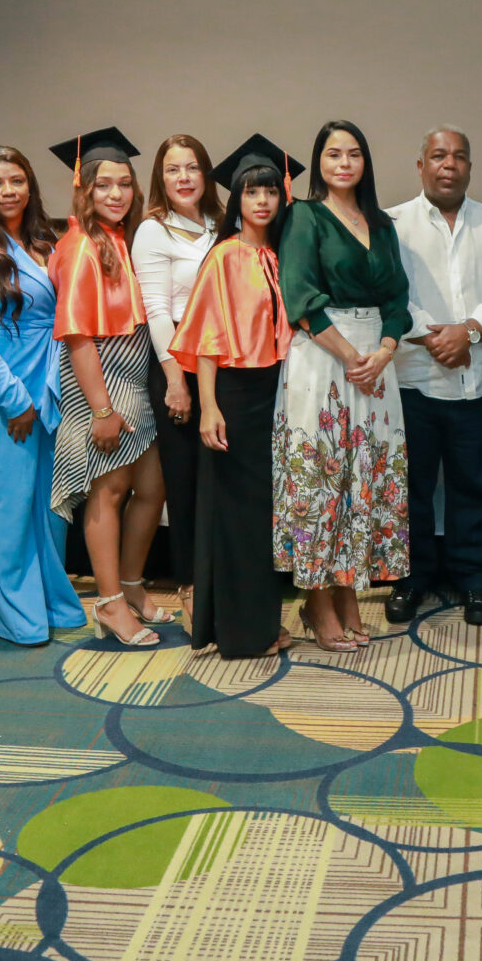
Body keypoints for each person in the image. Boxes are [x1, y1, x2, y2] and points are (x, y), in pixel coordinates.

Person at [0, 146, 89, 647]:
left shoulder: (44, 237)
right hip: (1, 391)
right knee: (10, 503)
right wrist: (12, 398)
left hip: (49, 386)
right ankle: (21, 617)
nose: (8, 191)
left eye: (17, 180)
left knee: (50, 506)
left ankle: (54, 604)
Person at [275, 120, 413, 652]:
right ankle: (317, 601)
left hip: (375, 362)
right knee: (323, 479)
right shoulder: (304, 217)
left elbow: (399, 299)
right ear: (319, 161)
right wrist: (355, 356)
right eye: (333, 154)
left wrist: (383, 352)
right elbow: (301, 297)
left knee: (365, 479)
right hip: (325, 357)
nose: (344, 163)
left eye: (354, 154)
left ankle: (349, 591)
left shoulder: (382, 223)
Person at [386, 126, 482, 628]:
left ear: (470, 167)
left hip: (479, 378)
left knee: (477, 486)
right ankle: (411, 577)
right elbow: (392, 293)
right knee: (412, 488)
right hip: (413, 379)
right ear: (420, 165)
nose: (449, 164)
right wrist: (436, 339)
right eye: (438, 156)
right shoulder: (391, 224)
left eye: (459, 157)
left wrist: (469, 332)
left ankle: (476, 579)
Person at [172, 135, 302, 659]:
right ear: (238, 202)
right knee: (238, 516)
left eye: (270, 191)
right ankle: (243, 633)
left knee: (267, 516)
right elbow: (205, 338)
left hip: (279, 392)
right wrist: (208, 406)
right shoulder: (225, 256)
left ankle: (262, 622)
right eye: (251, 193)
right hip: (234, 394)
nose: (263, 201)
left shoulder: (284, 254)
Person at [49, 127, 171, 647]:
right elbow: (77, 335)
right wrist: (100, 409)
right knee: (111, 489)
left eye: (124, 183)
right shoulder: (80, 246)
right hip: (99, 376)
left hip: (133, 375)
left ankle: (130, 583)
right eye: (104, 185)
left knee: (152, 489)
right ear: (85, 190)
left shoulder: (123, 237)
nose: (117, 194)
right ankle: (109, 603)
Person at [130, 134, 220, 628]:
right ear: (160, 179)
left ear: (205, 173)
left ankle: (223, 585)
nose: (183, 178)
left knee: (221, 485)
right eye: (172, 170)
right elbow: (157, 311)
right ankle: (188, 585)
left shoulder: (223, 226)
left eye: (192, 167)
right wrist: (175, 379)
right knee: (184, 484)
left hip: (227, 365)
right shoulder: (153, 231)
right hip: (177, 366)